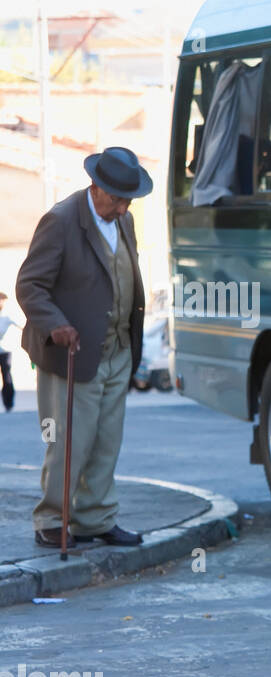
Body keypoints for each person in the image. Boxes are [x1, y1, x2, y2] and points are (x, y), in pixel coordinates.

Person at [16, 146, 152, 548]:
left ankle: (94, 519)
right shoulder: (60, 221)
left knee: (106, 442)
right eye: (116, 198)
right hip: (72, 355)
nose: (124, 208)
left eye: (129, 200)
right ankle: (51, 521)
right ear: (95, 186)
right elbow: (30, 286)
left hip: (117, 350)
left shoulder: (123, 222)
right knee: (68, 444)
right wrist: (56, 324)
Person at [0, 291, 19, 412]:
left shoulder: (8, 316)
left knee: (6, 377)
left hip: (5, 350)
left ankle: (9, 403)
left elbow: (21, 326)